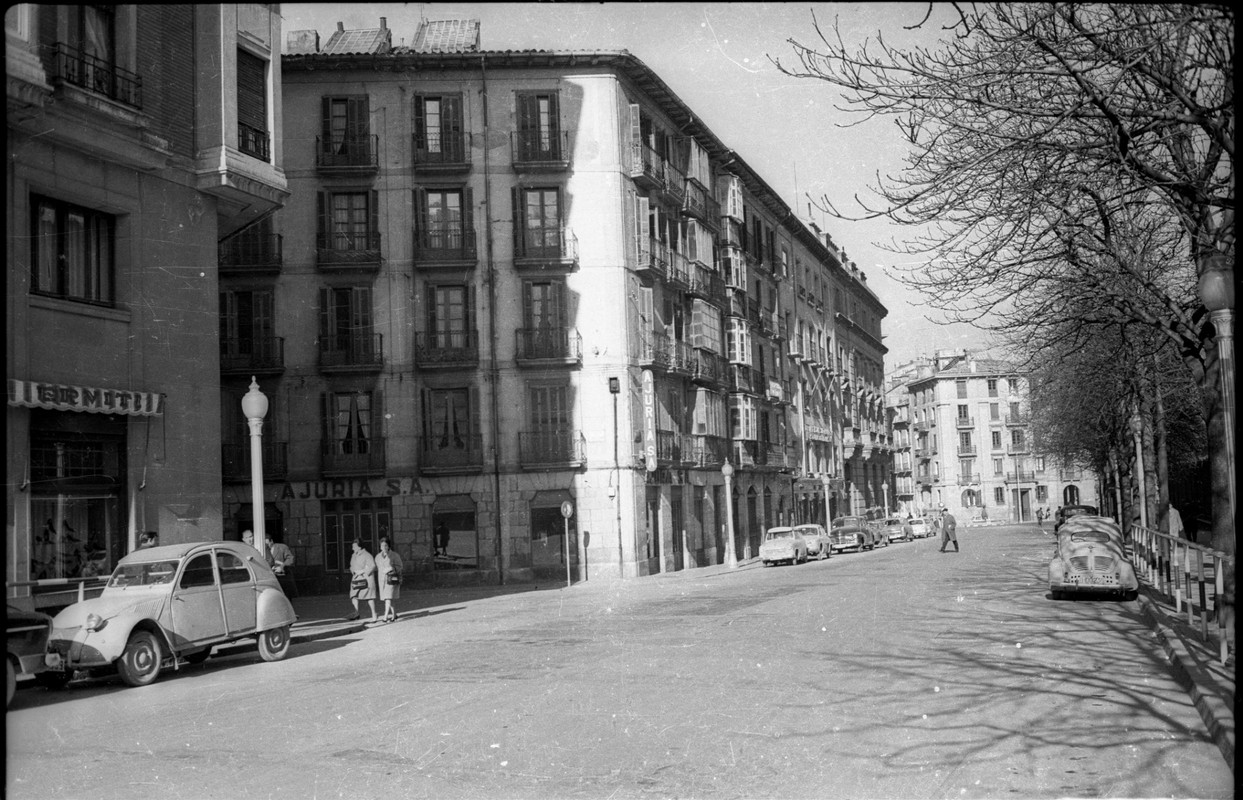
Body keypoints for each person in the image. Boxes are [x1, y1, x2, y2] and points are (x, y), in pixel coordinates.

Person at [346, 538, 378, 622]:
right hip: (356, 578)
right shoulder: (353, 555)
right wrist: (353, 571)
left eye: (354, 546)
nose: (352, 548)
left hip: (366, 579)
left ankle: (374, 614)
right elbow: (351, 566)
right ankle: (356, 613)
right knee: (354, 596)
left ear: (359, 547)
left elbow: (373, 566)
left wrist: (363, 571)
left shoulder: (367, 555)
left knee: (369, 597)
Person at [374, 536, 403, 623]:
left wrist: (391, 568)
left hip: (391, 580)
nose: (384, 547)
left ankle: (385, 616)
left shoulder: (394, 555)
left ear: (389, 546)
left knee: (388, 598)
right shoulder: (378, 557)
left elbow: (400, 567)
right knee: (390, 598)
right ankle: (394, 615)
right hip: (382, 581)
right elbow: (376, 567)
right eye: (382, 546)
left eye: (386, 545)